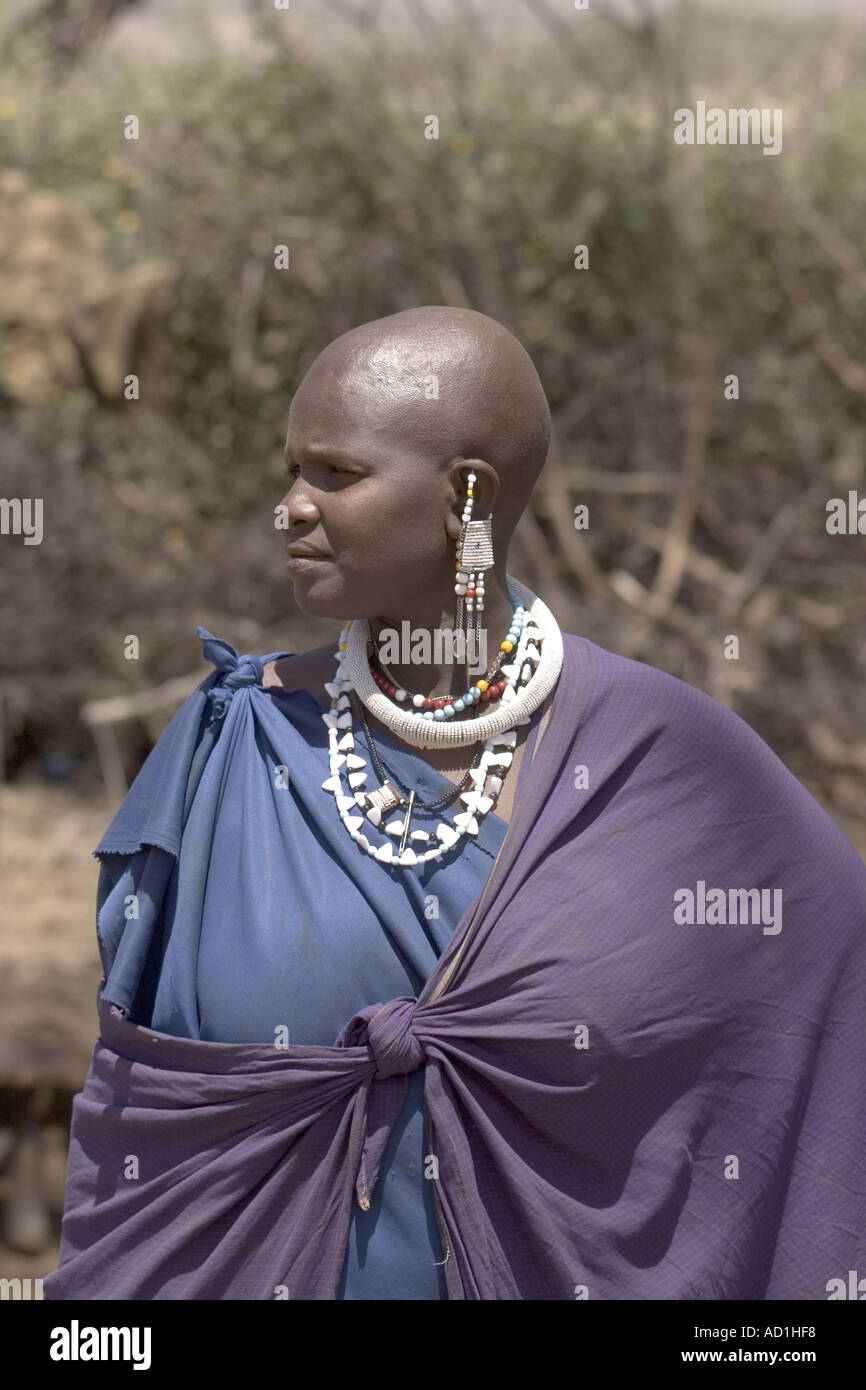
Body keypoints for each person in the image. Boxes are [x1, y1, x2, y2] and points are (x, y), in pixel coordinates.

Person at [44, 307, 866, 1301]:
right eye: (291, 470)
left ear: (464, 497)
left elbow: (812, 1017)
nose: (290, 507)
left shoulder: (663, 766)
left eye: (334, 474)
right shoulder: (232, 744)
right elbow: (144, 1111)